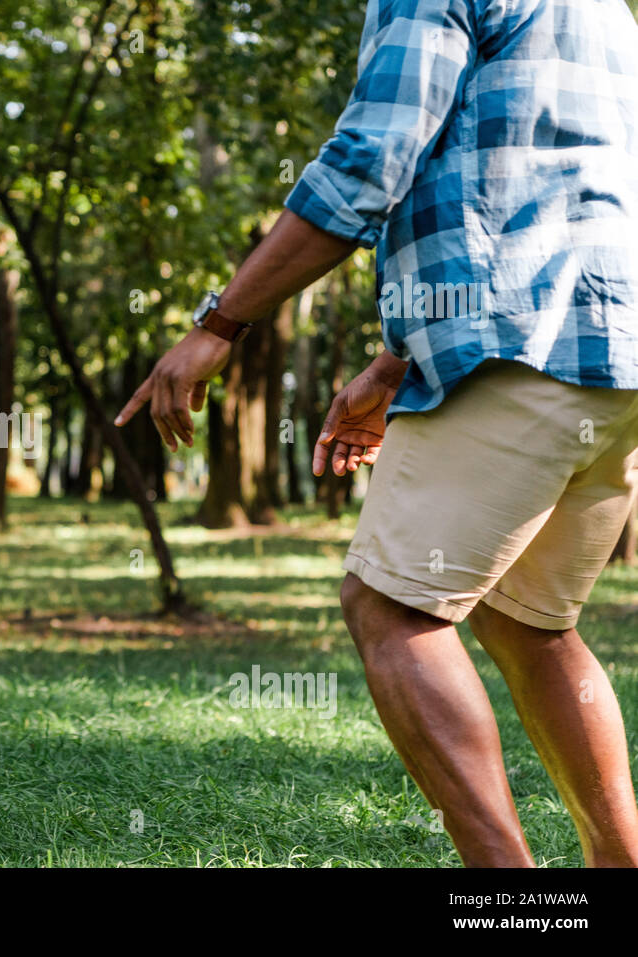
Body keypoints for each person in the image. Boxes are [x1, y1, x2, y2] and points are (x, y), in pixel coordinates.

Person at [118, 0, 638, 866]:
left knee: (393, 608)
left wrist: (220, 323)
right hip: (615, 350)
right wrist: (397, 361)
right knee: (529, 623)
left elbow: (372, 157)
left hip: (515, 340)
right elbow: (553, 178)